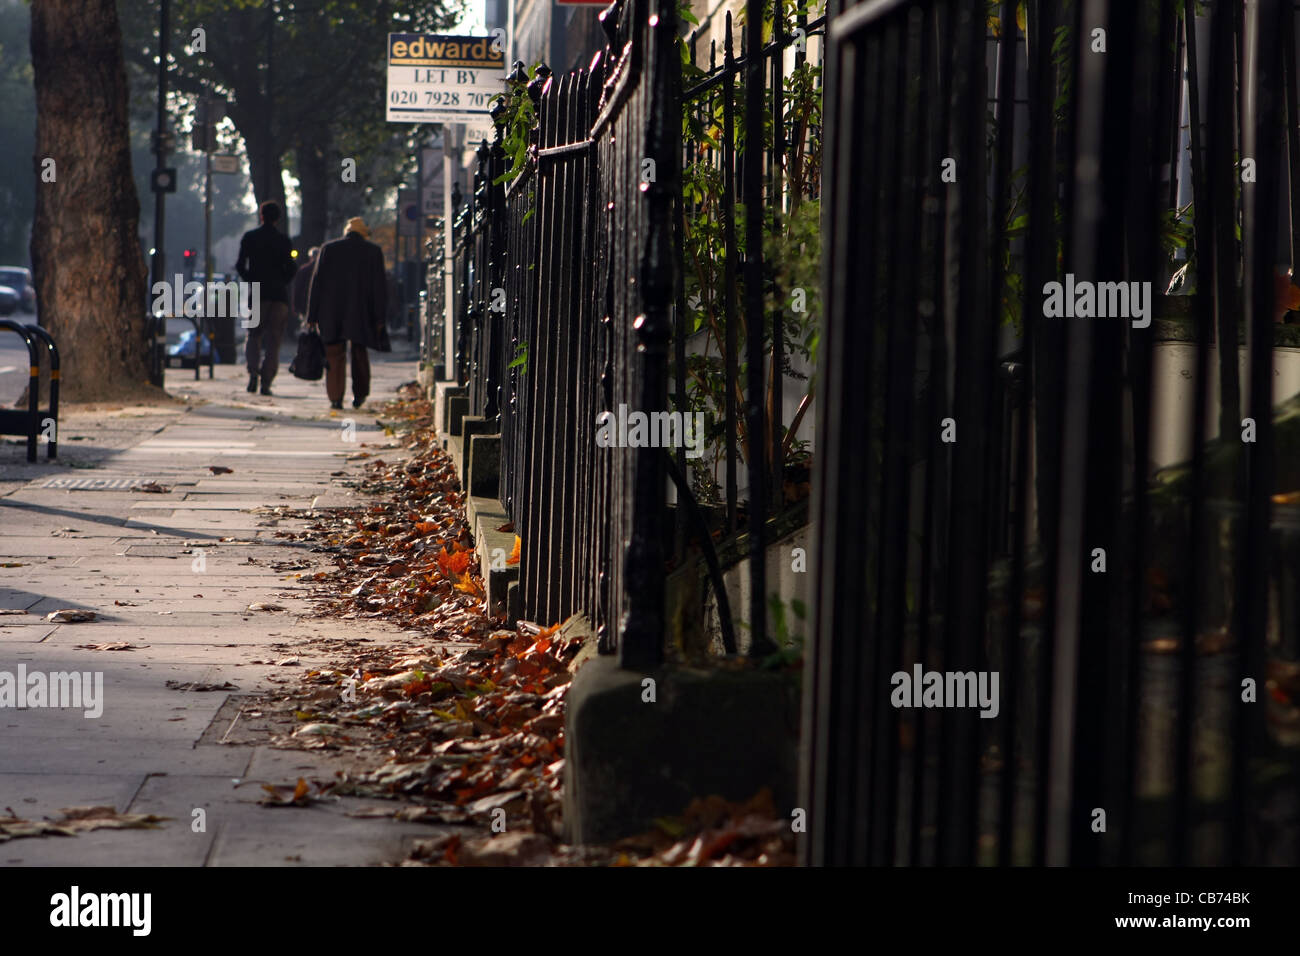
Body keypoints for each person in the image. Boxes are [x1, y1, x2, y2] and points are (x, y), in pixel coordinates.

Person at [306, 217, 387, 410]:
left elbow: (316, 283)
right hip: (361, 311)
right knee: (359, 352)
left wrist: (312, 316)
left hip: (331, 311)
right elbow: (379, 288)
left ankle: (335, 397)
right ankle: (360, 394)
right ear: (363, 233)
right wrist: (380, 317)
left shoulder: (328, 249)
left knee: (334, 354)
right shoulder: (373, 252)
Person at [235, 200, 297, 395]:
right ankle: (267, 381)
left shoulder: (250, 238)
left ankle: (253, 372)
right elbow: (292, 267)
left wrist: (250, 280)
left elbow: (240, 265)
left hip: (258, 293)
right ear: (278, 218)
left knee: (254, 336)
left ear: (261, 215)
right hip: (278, 296)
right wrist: (283, 282)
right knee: (274, 340)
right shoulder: (283, 240)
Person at [291, 245, 320, 332]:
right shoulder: (324, 270)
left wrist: (295, 306)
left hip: (305, 305)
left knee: (306, 328)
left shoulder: (303, 270)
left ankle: (307, 342)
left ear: (310, 257)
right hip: (319, 305)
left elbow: (298, 288)